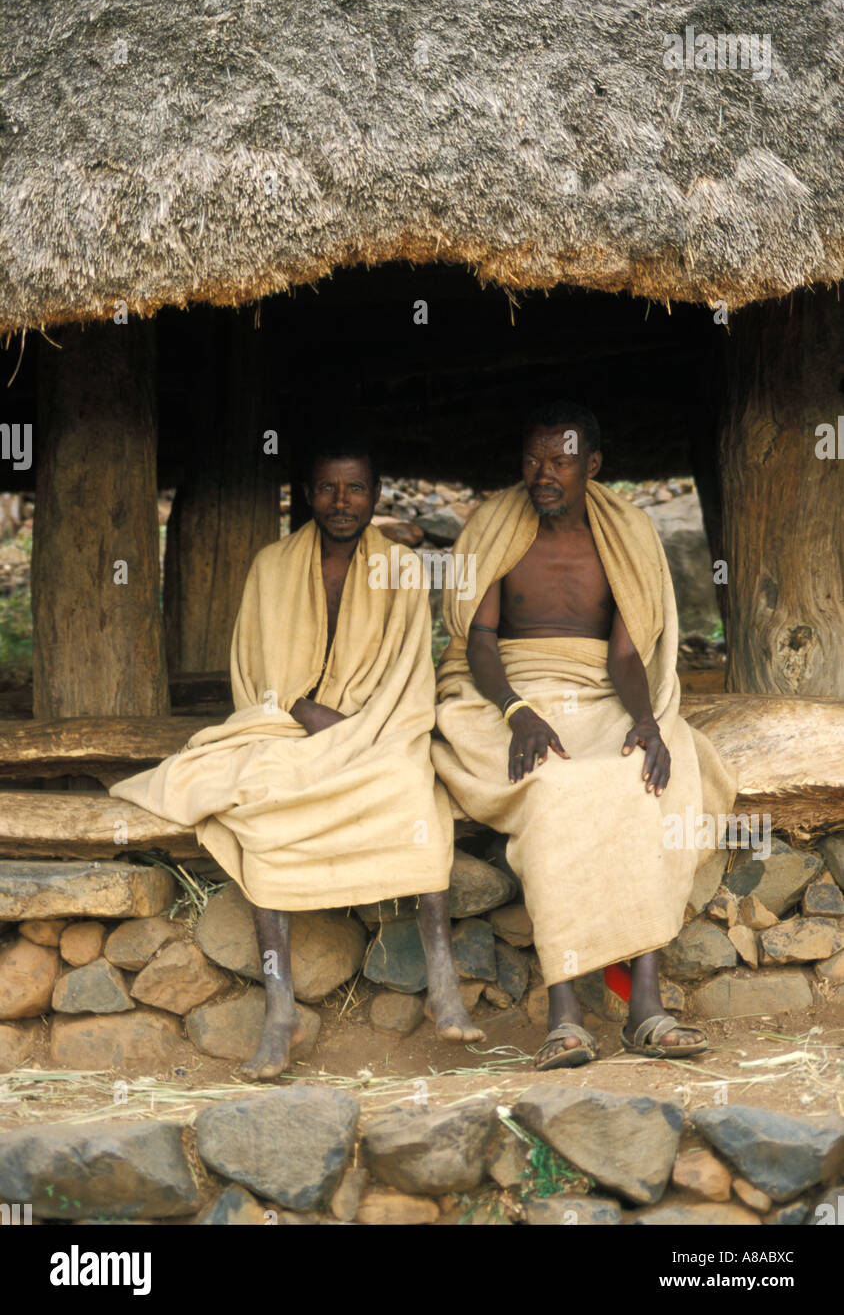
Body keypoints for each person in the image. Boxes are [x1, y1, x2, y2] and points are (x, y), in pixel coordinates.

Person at [111, 433, 482, 1078]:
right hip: (281, 729)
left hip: (376, 731)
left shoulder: (401, 567)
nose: (342, 502)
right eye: (328, 488)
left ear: (376, 492)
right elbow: (254, 678)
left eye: (356, 487)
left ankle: (443, 986)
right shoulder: (272, 566)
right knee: (262, 797)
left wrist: (357, 731)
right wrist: (305, 716)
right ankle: (279, 1006)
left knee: (411, 789)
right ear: (306, 493)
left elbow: (408, 679)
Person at [432, 400, 737, 1070]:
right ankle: (565, 1015)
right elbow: (479, 642)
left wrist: (646, 721)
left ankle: (646, 1009)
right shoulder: (495, 528)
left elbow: (626, 658)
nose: (544, 474)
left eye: (561, 461)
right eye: (533, 460)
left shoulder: (624, 535)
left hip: (601, 692)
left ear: (592, 465)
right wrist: (516, 712)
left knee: (648, 778)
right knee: (555, 791)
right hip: (507, 694)